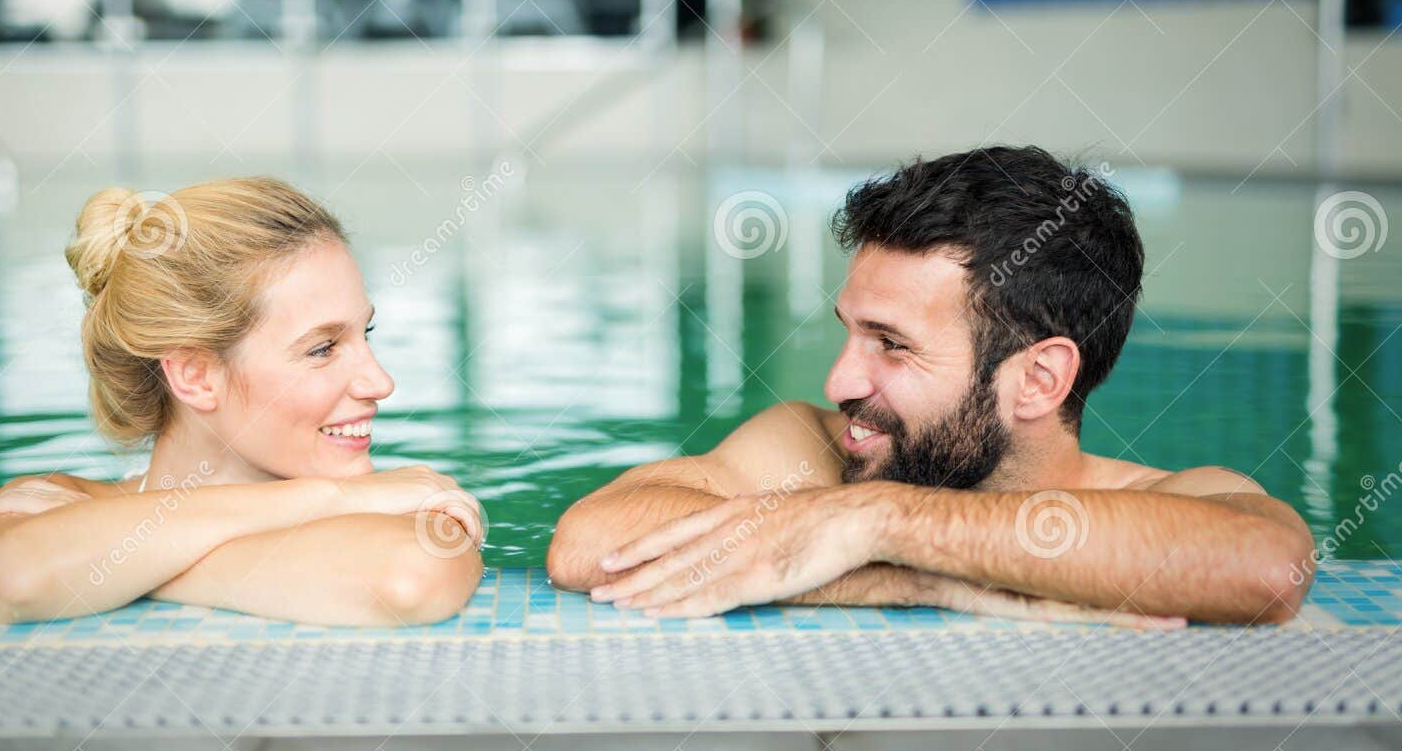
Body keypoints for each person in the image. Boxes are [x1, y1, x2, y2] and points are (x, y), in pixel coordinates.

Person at [547, 146, 1314, 627]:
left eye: (893, 345)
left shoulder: (1168, 503)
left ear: (1039, 379)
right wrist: (905, 573)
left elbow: (1270, 571)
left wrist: (874, 516)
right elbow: (589, 543)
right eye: (850, 330)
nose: (839, 379)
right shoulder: (815, 452)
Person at [0, 178, 484, 627]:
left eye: (365, 333)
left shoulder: (68, 520)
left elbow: (410, 578)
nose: (379, 381)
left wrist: (119, 571)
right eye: (322, 348)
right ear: (196, 376)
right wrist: (332, 498)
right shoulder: (56, 496)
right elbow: (15, 579)